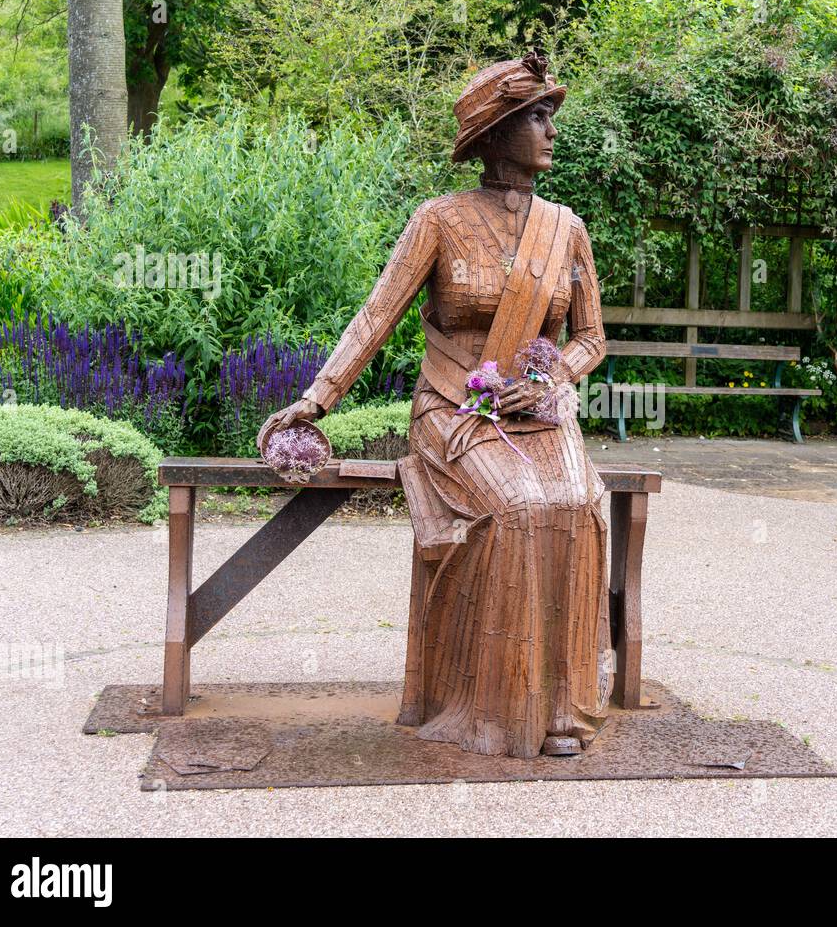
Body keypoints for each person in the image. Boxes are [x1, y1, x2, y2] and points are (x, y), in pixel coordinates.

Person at [257, 52, 611, 759]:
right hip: (454, 410)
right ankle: (491, 703)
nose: (550, 131)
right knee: (515, 510)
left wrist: (551, 381)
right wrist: (315, 399)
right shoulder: (439, 221)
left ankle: (561, 708)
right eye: (534, 118)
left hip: (537, 412)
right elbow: (376, 316)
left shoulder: (566, 227)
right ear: (492, 136)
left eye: (550, 117)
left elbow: (591, 337)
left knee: (577, 505)